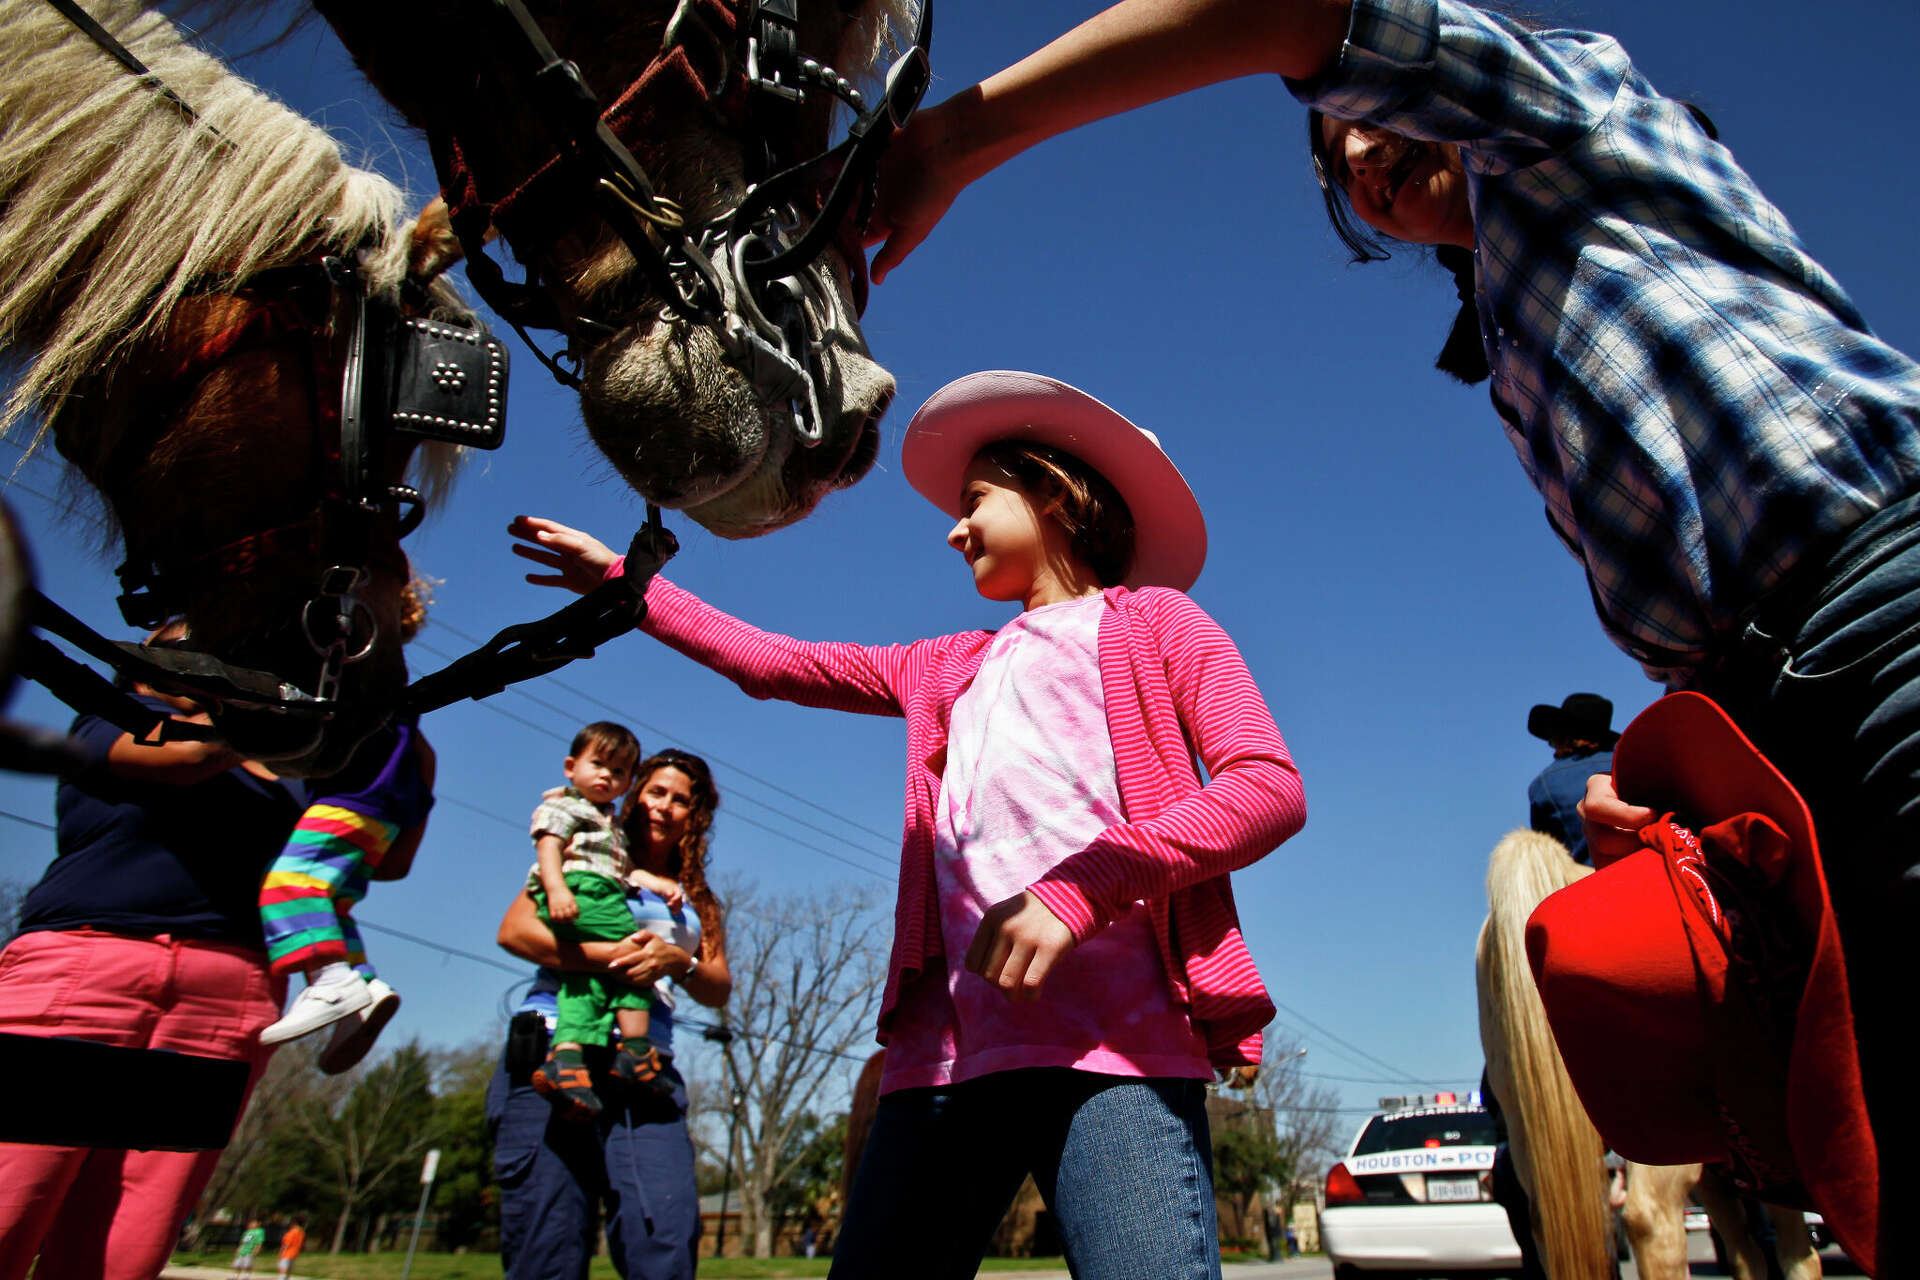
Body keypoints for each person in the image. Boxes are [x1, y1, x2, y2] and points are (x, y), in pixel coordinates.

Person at [863, 2, 1920, 1260]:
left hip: (1886, 607)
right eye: (1333, 158)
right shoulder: (1517, 348)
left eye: (1375, 116)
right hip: (1770, 712)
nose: (1361, 156)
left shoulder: (1569, 121)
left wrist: (951, 144)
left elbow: (1291, 9)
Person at [509, 370, 1306, 1280]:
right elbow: (771, 662)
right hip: (946, 1064)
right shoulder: (944, 666)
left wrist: (1084, 886)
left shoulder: (1161, 624)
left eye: (975, 501)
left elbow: (1266, 785)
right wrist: (625, 585)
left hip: (1118, 1052)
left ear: (1055, 493)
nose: (953, 528)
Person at [0, 623, 304, 1280]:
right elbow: (185, 758)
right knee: (10, 1200)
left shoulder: (282, 758)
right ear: (143, 657)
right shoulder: (106, 721)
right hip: (85, 973)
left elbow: (377, 845)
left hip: (224, 999)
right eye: (199, 629)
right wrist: (285, 726)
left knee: (126, 1244)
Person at [487, 748, 732, 1280]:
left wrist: (678, 961)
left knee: (664, 1238)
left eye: (682, 800)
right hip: (555, 1053)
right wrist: (616, 957)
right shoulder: (582, 855)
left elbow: (717, 988)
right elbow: (515, 932)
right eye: (655, 792)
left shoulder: (697, 899)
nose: (665, 807)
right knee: (547, 1244)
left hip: (643, 1068)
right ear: (633, 794)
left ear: (697, 815)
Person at [523, 721, 683, 1118]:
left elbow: (624, 870)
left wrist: (657, 885)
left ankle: (568, 1058)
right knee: (637, 958)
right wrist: (557, 889)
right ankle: (635, 1050)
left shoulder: (608, 824)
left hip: (601, 889)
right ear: (570, 766)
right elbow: (549, 846)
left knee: (585, 980)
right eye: (598, 765)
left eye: (618, 772)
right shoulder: (565, 805)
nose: (606, 777)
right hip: (583, 891)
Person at [257, 720, 437, 1068]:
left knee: (291, 883)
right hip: (389, 802)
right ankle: (365, 989)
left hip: (355, 791)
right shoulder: (397, 702)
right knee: (332, 904)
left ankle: (331, 978)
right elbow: (426, 754)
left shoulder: (345, 672)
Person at [1524, 694, 1617, 866]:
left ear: (1564, 736)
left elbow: (1547, 855)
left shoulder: (1545, 783)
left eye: (1553, 740)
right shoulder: (1630, 760)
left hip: (1593, 881)